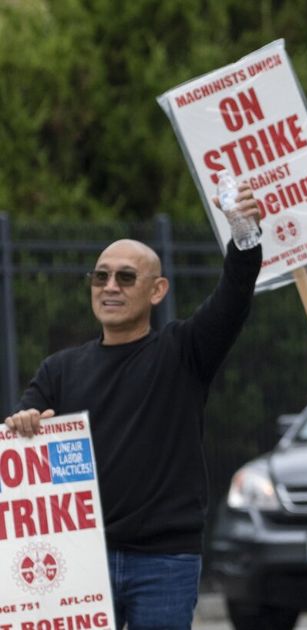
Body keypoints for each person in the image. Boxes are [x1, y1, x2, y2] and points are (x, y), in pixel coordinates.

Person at [4, 182, 262, 629]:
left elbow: (235, 295)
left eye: (126, 277)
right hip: (78, 561)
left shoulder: (184, 351)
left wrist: (244, 239)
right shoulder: (58, 371)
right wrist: (23, 423)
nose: (109, 286)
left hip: (164, 561)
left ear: (157, 290)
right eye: (100, 276)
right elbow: (22, 434)